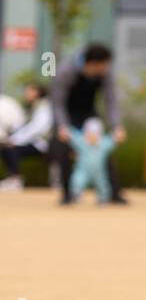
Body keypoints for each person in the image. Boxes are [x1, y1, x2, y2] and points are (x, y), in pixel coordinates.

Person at [49, 43, 128, 205]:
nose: (106, 69)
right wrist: (62, 126)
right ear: (92, 64)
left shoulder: (105, 73)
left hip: (88, 113)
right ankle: (68, 194)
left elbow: (111, 100)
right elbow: (57, 102)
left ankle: (114, 192)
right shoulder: (67, 70)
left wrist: (116, 126)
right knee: (62, 149)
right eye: (103, 65)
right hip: (66, 113)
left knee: (102, 148)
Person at [0, 84, 53, 191]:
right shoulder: (33, 107)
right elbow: (24, 127)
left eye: (28, 91)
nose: (26, 94)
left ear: (36, 92)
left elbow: (36, 129)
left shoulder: (44, 107)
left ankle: (15, 179)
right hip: (33, 142)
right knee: (5, 146)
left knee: (10, 148)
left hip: (43, 144)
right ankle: (12, 178)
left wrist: (15, 140)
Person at [67, 117, 117, 204]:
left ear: (100, 134)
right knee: (77, 180)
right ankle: (76, 194)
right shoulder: (82, 142)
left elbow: (112, 139)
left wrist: (117, 136)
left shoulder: (103, 143)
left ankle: (103, 197)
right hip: (83, 170)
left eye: (95, 133)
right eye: (89, 133)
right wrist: (67, 132)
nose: (92, 136)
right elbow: (73, 135)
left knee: (102, 184)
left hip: (99, 171)